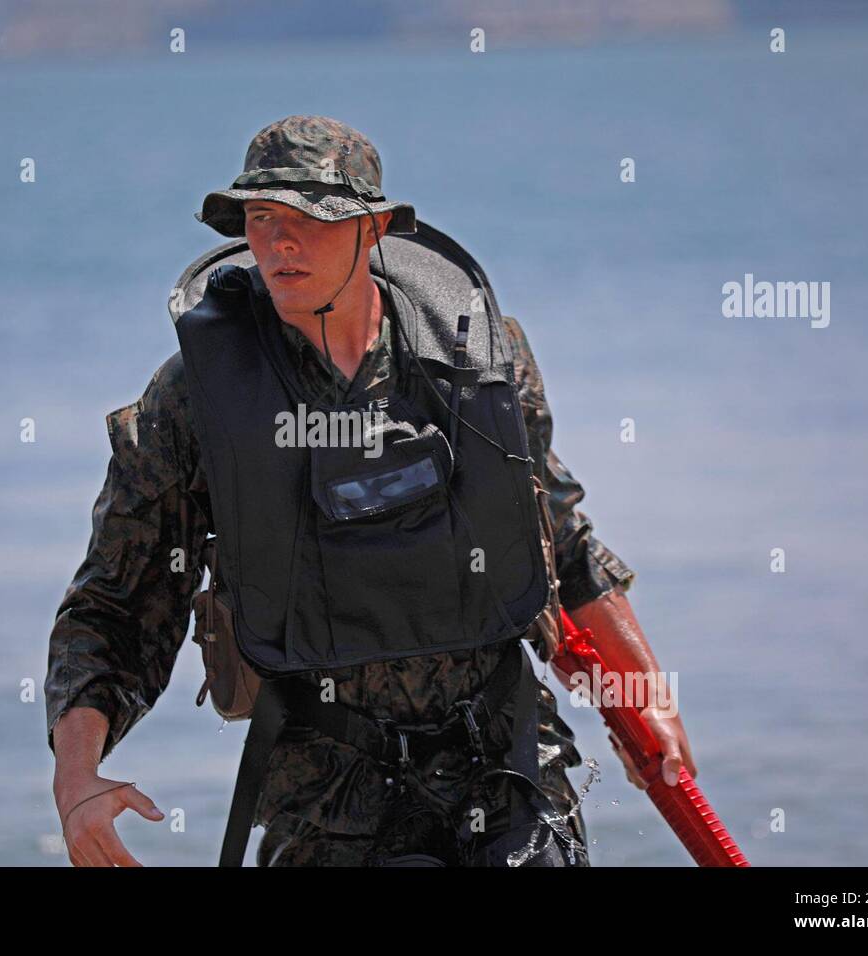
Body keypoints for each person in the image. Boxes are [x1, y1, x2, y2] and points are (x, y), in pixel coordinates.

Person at [45, 115, 696, 867]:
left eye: (311, 218)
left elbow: (560, 541)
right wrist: (77, 780)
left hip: (506, 757)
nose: (282, 243)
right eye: (262, 219)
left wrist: (643, 697)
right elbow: (119, 603)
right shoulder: (199, 398)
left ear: (375, 226)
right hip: (329, 792)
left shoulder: (477, 359)